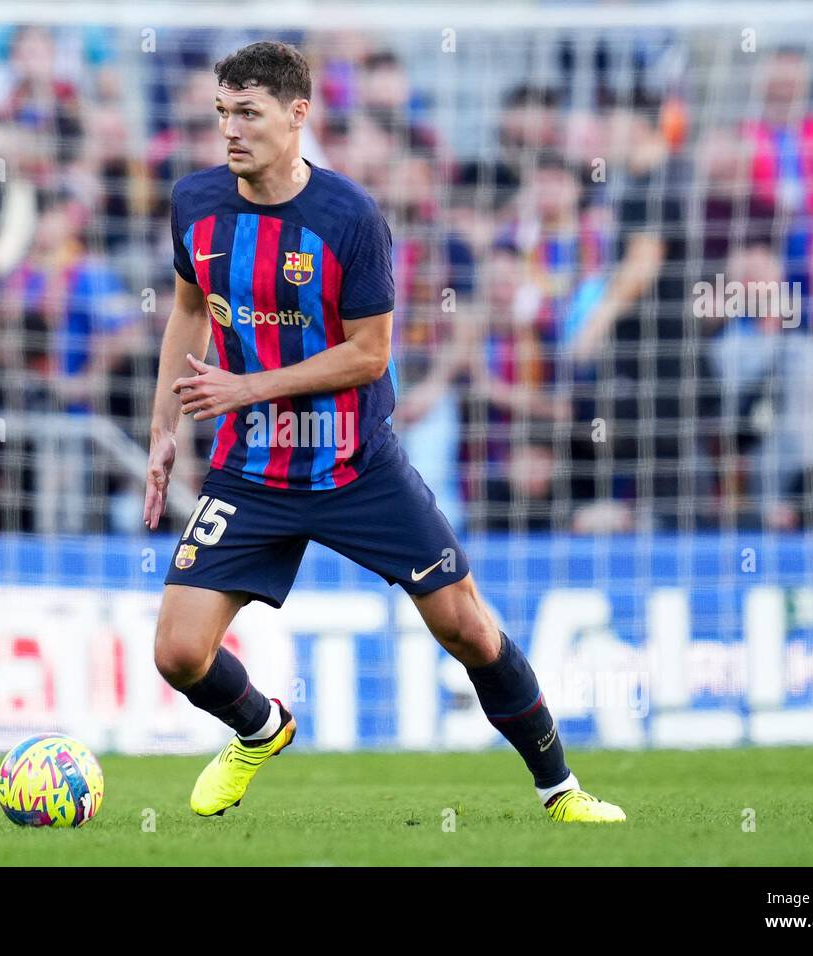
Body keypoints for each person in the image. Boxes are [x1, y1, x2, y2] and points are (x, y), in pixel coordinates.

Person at [142, 41, 624, 824]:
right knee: (178, 653)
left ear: (298, 115)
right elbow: (190, 311)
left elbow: (371, 354)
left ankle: (562, 792)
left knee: (468, 627)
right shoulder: (195, 203)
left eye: (248, 113)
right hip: (251, 470)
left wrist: (249, 387)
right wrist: (163, 429)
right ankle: (260, 729)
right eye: (222, 112)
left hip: (356, 465)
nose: (231, 129)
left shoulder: (349, 218)